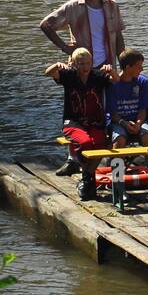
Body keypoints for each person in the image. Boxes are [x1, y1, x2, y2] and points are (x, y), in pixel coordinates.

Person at [45, 47, 111, 198]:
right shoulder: (69, 75)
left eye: (87, 63)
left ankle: (87, 176)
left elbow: (117, 80)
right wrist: (56, 65)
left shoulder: (97, 75)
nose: (85, 67)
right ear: (74, 63)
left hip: (94, 121)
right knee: (86, 143)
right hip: (73, 122)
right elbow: (48, 73)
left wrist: (111, 70)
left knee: (102, 143)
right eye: (81, 63)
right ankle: (88, 178)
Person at [39, 0, 125, 68]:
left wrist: (123, 65)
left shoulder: (112, 6)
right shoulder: (72, 7)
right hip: (81, 65)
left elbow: (118, 37)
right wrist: (65, 47)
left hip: (107, 65)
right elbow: (45, 25)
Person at [106, 49, 148, 148]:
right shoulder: (112, 85)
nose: (142, 69)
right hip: (119, 122)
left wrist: (138, 124)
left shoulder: (142, 82)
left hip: (138, 121)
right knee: (119, 140)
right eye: (139, 66)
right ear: (128, 67)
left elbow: (143, 109)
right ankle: (114, 161)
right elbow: (112, 113)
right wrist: (124, 123)